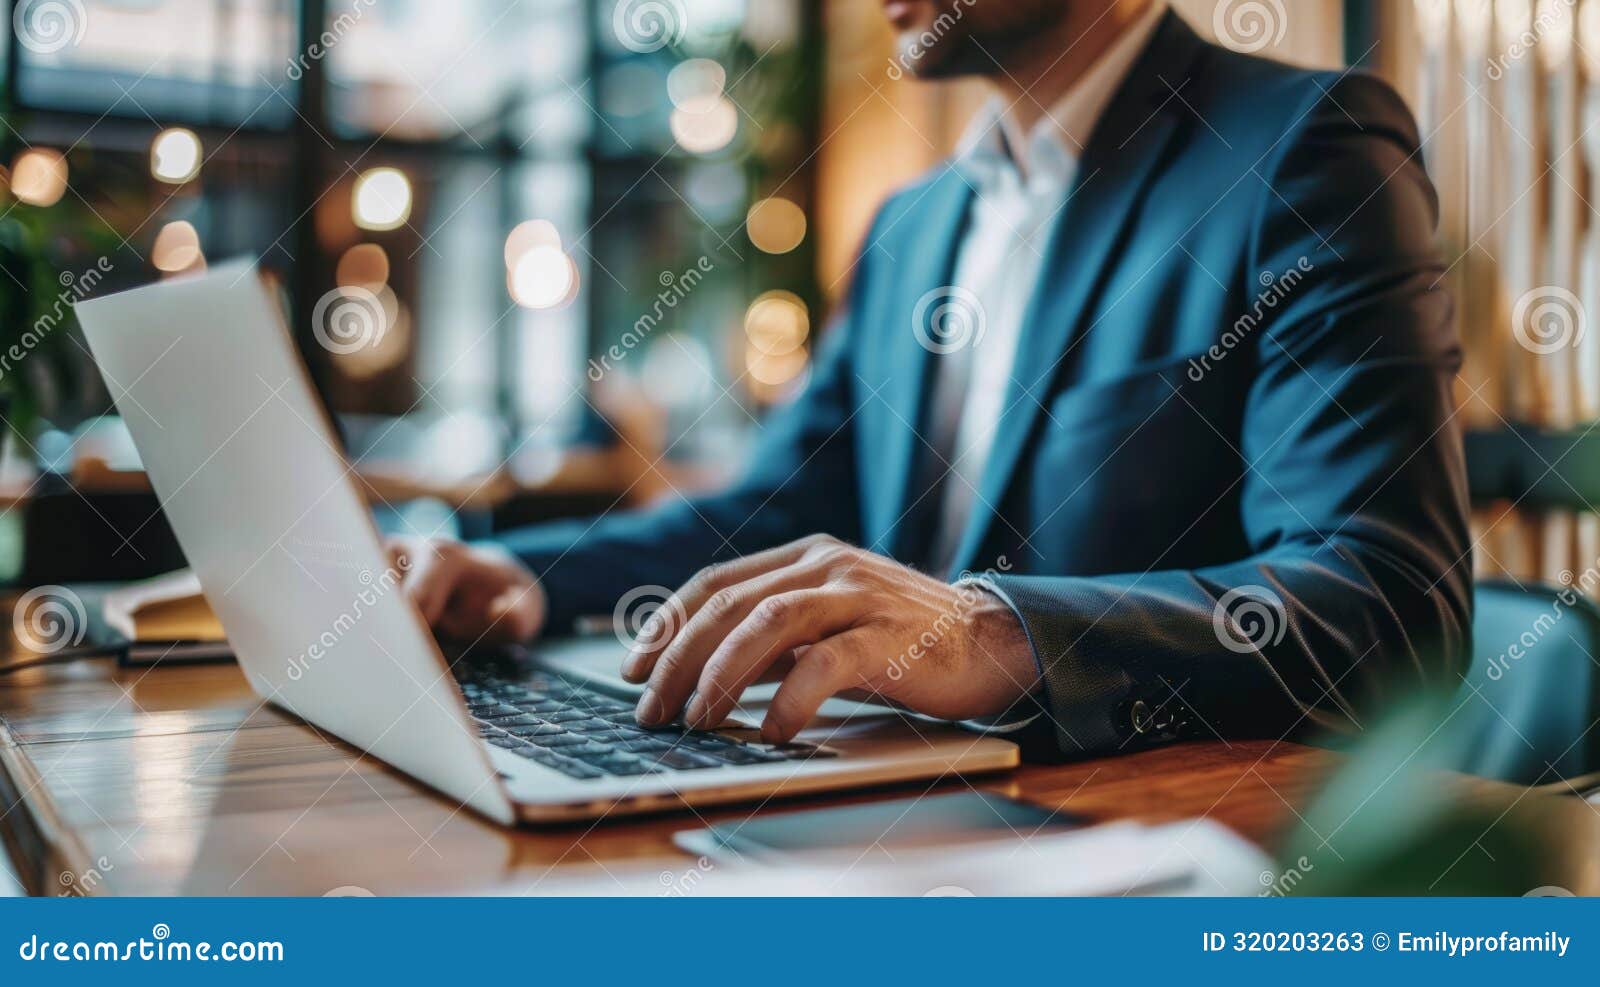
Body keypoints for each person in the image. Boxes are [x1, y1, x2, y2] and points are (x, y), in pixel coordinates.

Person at [396, 0, 1472, 758]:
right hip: (898, 815)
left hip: (1151, 843)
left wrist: (993, 629)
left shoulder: (1302, 147)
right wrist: (523, 578)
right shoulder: (912, 226)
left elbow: (1390, 598)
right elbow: (774, 515)